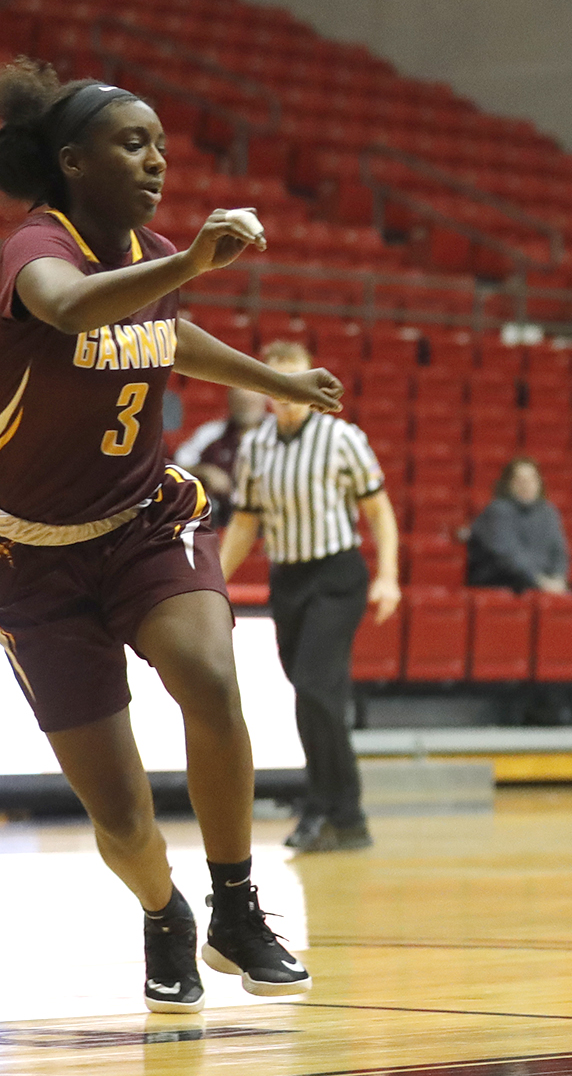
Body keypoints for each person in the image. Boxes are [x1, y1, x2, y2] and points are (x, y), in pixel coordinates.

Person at [0, 60, 343, 1012]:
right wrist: (191, 261)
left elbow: (170, 336)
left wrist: (282, 384)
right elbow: (72, 309)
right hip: (31, 558)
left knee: (209, 675)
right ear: (72, 161)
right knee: (119, 816)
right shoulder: (32, 247)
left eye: (159, 144)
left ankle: (235, 902)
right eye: (132, 143)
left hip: (148, 517)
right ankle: (164, 910)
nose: (156, 162)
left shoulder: (148, 250)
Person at [219, 340, 401, 852]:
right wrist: (211, 580)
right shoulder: (255, 446)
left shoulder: (342, 438)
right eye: (278, 384)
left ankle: (329, 808)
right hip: (288, 580)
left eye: (297, 382)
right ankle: (344, 816)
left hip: (337, 575)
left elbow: (380, 513)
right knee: (312, 697)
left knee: (317, 692)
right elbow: (245, 524)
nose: (288, 394)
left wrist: (388, 576)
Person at [467, 456, 569, 594]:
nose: (526, 485)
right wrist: (541, 582)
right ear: (508, 484)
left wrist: (558, 579)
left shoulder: (548, 513)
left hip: (542, 586)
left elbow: (559, 552)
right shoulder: (497, 511)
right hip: (503, 586)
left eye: (532, 479)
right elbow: (507, 556)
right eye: (520, 480)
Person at [173, 384, 265, 527]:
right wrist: (205, 471)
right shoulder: (211, 432)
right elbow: (177, 465)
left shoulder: (277, 434)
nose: (247, 407)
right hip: (220, 514)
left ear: (264, 402)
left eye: (251, 402)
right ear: (230, 402)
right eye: (241, 401)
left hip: (266, 514)